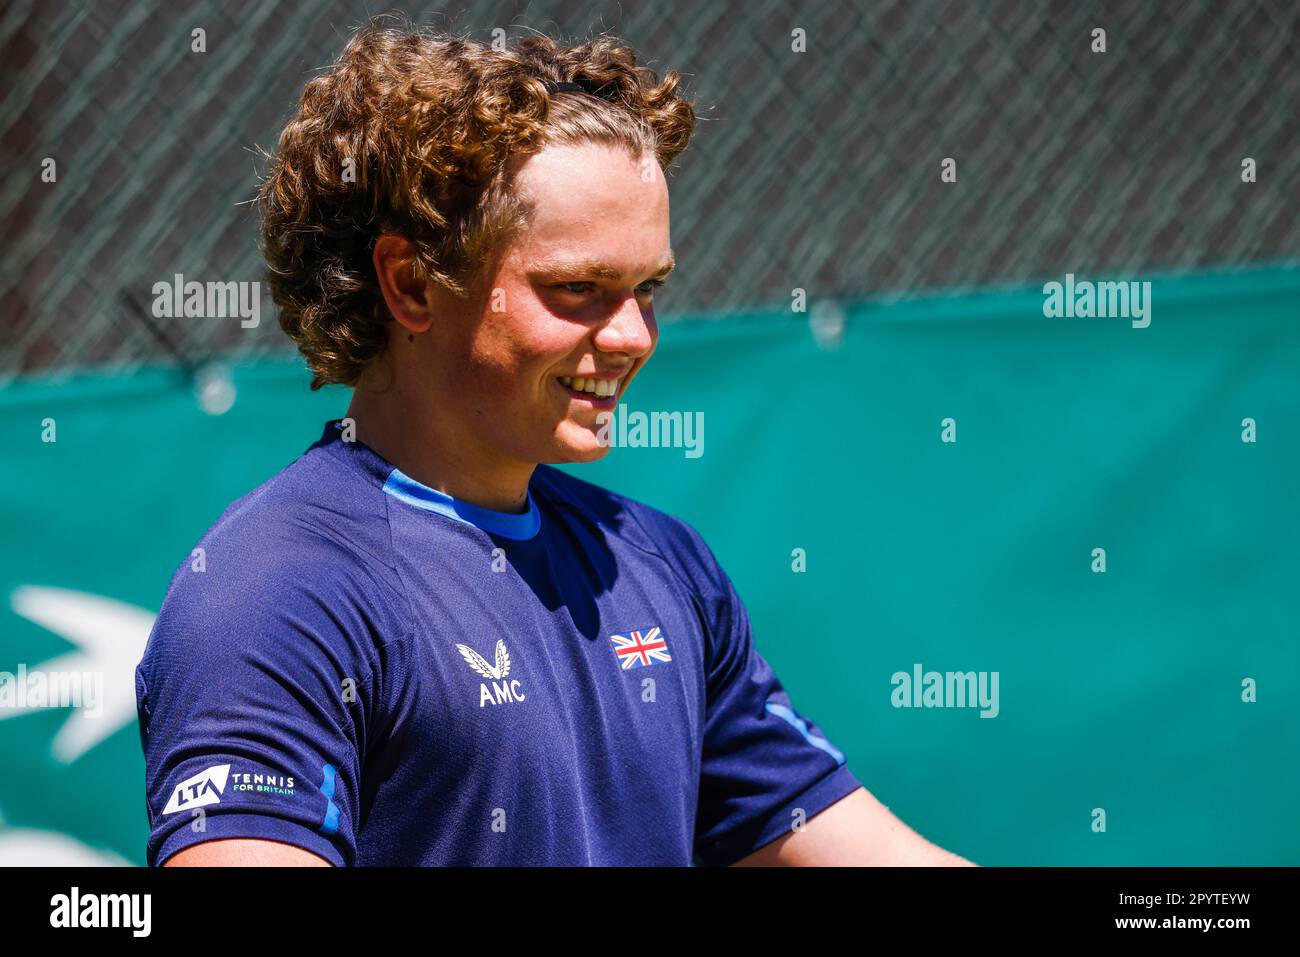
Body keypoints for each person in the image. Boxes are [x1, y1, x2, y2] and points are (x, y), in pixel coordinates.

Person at [135, 18, 974, 867]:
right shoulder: (275, 593)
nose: (634, 336)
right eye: (579, 287)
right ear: (411, 283)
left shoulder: (659, 563)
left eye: (648, 287)